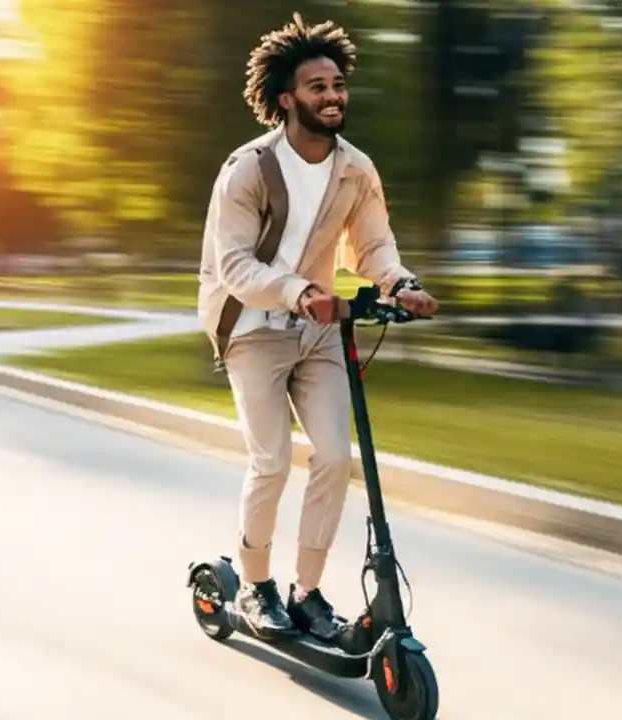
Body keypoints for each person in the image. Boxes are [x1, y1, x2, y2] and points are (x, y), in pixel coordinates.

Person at [197, 13, 438, 642]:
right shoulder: (248, 169)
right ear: (286, 99)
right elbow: (233, 264)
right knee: (272, 461)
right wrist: (299, 290)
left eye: (337, 85)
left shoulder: (355, 169)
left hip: (319, 329)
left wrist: (401, 285)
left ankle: (305, 592)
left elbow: (374, 247)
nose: (332, 97)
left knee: (335, 455)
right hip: (252, 325)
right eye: (317, 87)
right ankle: (255, 585)